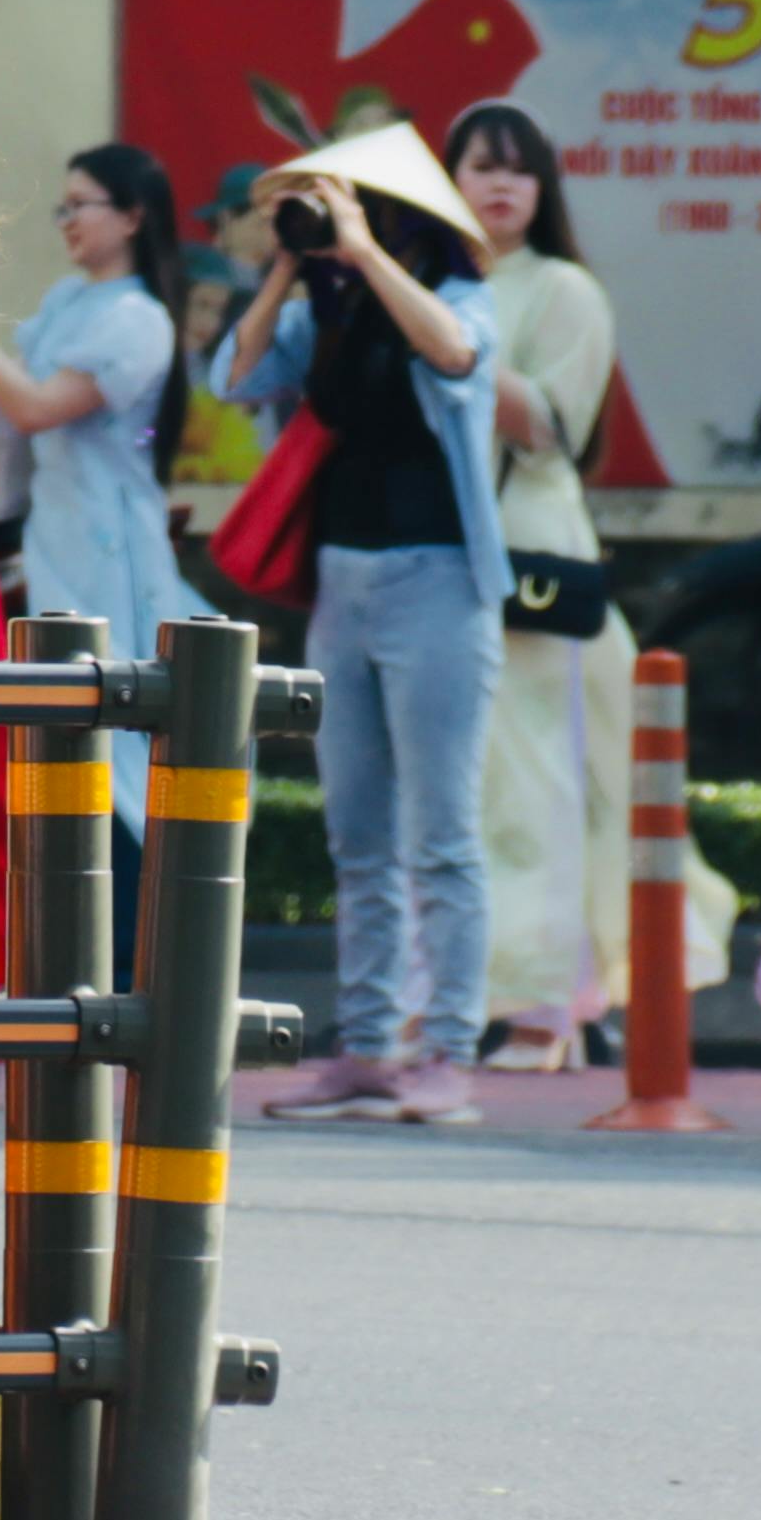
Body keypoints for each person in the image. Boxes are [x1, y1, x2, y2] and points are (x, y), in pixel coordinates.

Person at [227, 124, 506, 1127]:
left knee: (442, 832)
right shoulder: (326, 306)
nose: (345, 224)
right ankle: (367, 1043)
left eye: (359, 204)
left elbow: (457, 349)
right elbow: (235, 375)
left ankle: (447, 1052)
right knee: (359, 833)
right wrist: (289, 267)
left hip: (439, 582)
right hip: (344, 584)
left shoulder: (458, 294)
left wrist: (368, 248)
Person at [450, 103, 728, 1068]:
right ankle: (469, 994)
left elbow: (551, 423)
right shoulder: (431, 285)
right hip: (444, 559)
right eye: (480, 167)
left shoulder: (562, 289)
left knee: (544, 784)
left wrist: (447, 341)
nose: (500, 186)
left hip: (532, 556)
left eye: (519, 171)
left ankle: (544, 1003)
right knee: (472, 792)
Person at [0, 145, 196, 845]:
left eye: (82, 205)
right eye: (64, 206)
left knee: (113, 721)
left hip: (113, 546)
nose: (68, 220)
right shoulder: (67, 301)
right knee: (59, 721)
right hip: (55, 535)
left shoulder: (140, 319)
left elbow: (39, 408)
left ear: (134, 216)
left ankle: (130, 911)